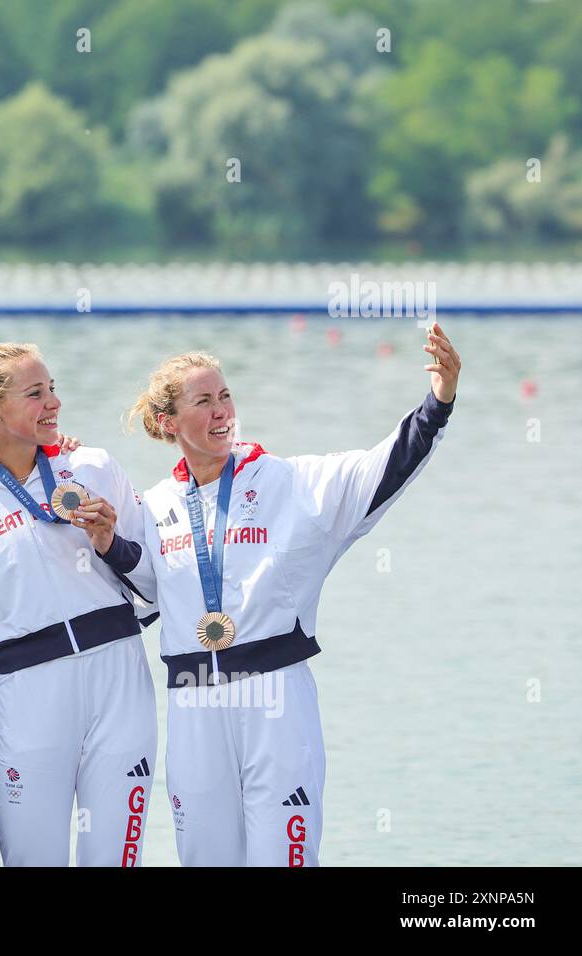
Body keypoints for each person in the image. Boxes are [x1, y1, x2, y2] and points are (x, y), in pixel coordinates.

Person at [102, 321, 461, 866]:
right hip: (192, 701)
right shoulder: (155, 506)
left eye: (226, 396)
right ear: (167, 421)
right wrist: (107, 542)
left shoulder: (289, 483)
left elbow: (382, 469)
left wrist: (438, 402)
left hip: (274, 696)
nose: (222, 411)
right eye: (204, 401)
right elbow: (150, 589)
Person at [0, 342, 159, 867]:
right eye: (35, 394)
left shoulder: (92, 465)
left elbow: (158, 587)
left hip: (120, 684)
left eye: (52, 388)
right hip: (30, 694)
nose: (53, 402)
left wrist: (111, 546)